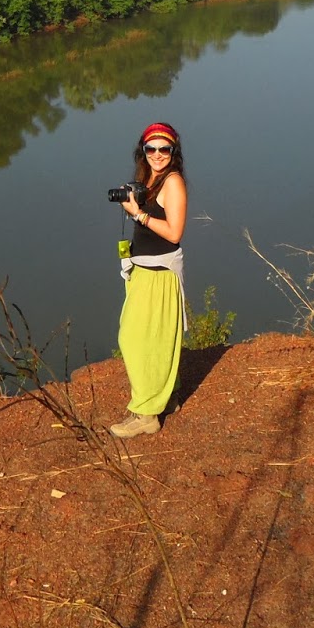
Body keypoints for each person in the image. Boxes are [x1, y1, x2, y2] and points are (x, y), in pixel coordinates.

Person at [109, 121, 188, 438]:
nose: (157, 154)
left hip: (160, 273)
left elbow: (174, 232)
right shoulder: (149, 179)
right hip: (142, 268)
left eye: (164, 148)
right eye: (151, 148)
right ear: (143, 151)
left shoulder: (173, 183)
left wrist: (139, 214)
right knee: (146, 338)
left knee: (136, 340)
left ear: (173, 151)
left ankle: (146, 415)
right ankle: (166, 398)